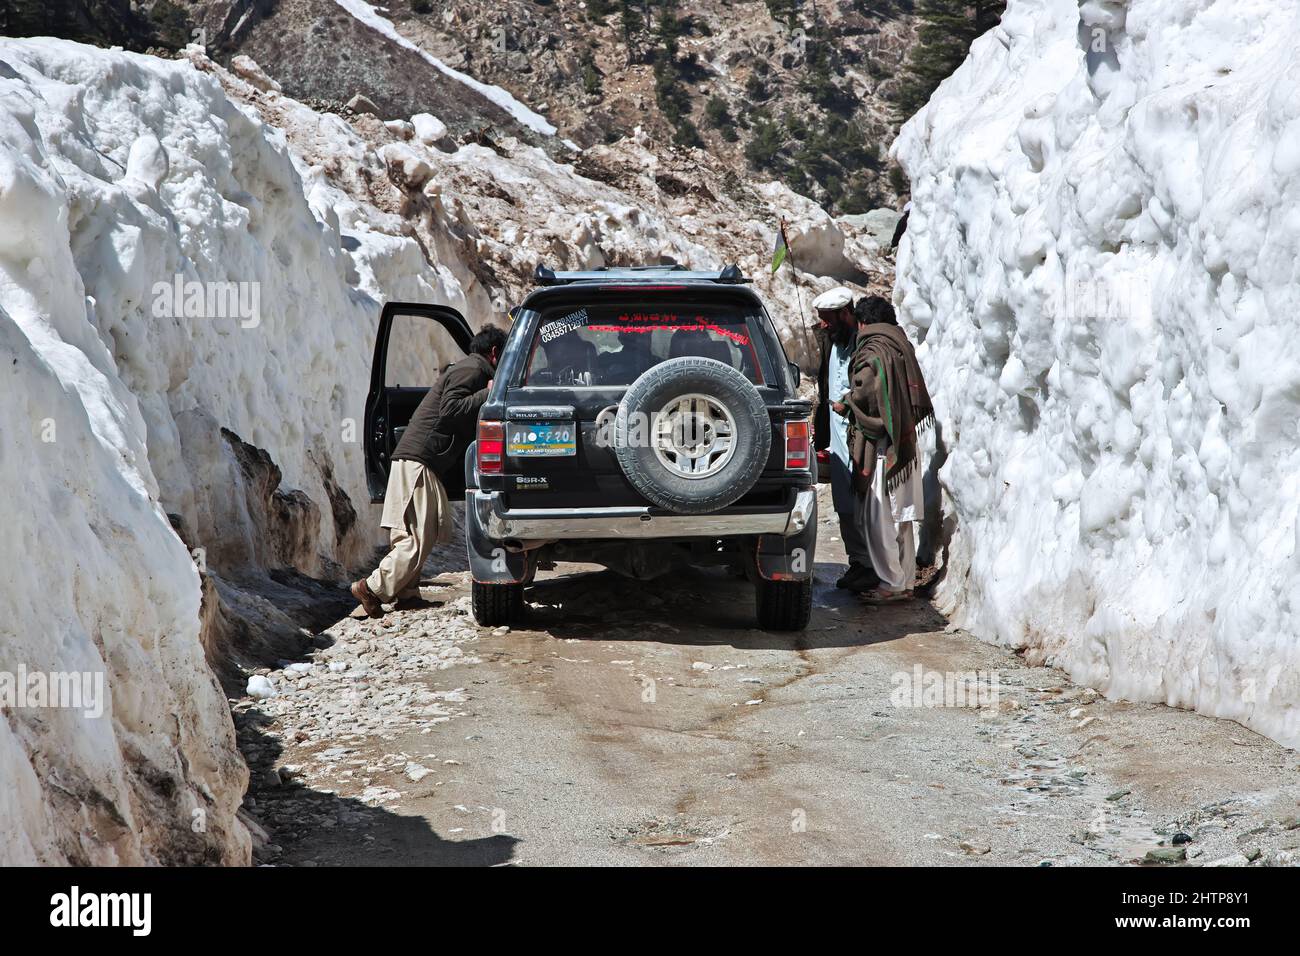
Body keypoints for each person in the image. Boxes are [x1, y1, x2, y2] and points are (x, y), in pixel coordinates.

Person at [351, 324, 508, 617]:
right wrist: (486, 394)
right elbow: (450, 410)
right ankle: (370, 587)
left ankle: (407, 594)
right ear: (496, 353)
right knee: (420, 534)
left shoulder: (467, 368)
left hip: (416, 459)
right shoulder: (474, 370)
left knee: (411, 531)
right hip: (420, 460)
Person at [843, 295, 933, 603]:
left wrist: (849, 401)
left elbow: (867, 390)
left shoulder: (875, 349)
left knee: (878, 517)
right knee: (900, 517)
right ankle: (905, 581)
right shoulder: (900, 344)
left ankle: (891, 583)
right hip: (904, 443)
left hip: (883, 445)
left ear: (863, 322)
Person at [812, 286, 876, 591]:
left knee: (867, 503)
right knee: (844, 504)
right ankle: (858, 562)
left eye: (828, 318)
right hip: (838, 437)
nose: (824, 324)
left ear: (845, 314)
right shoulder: (831, 340)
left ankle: (875, 564)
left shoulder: (864, 344)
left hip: (861, 433)